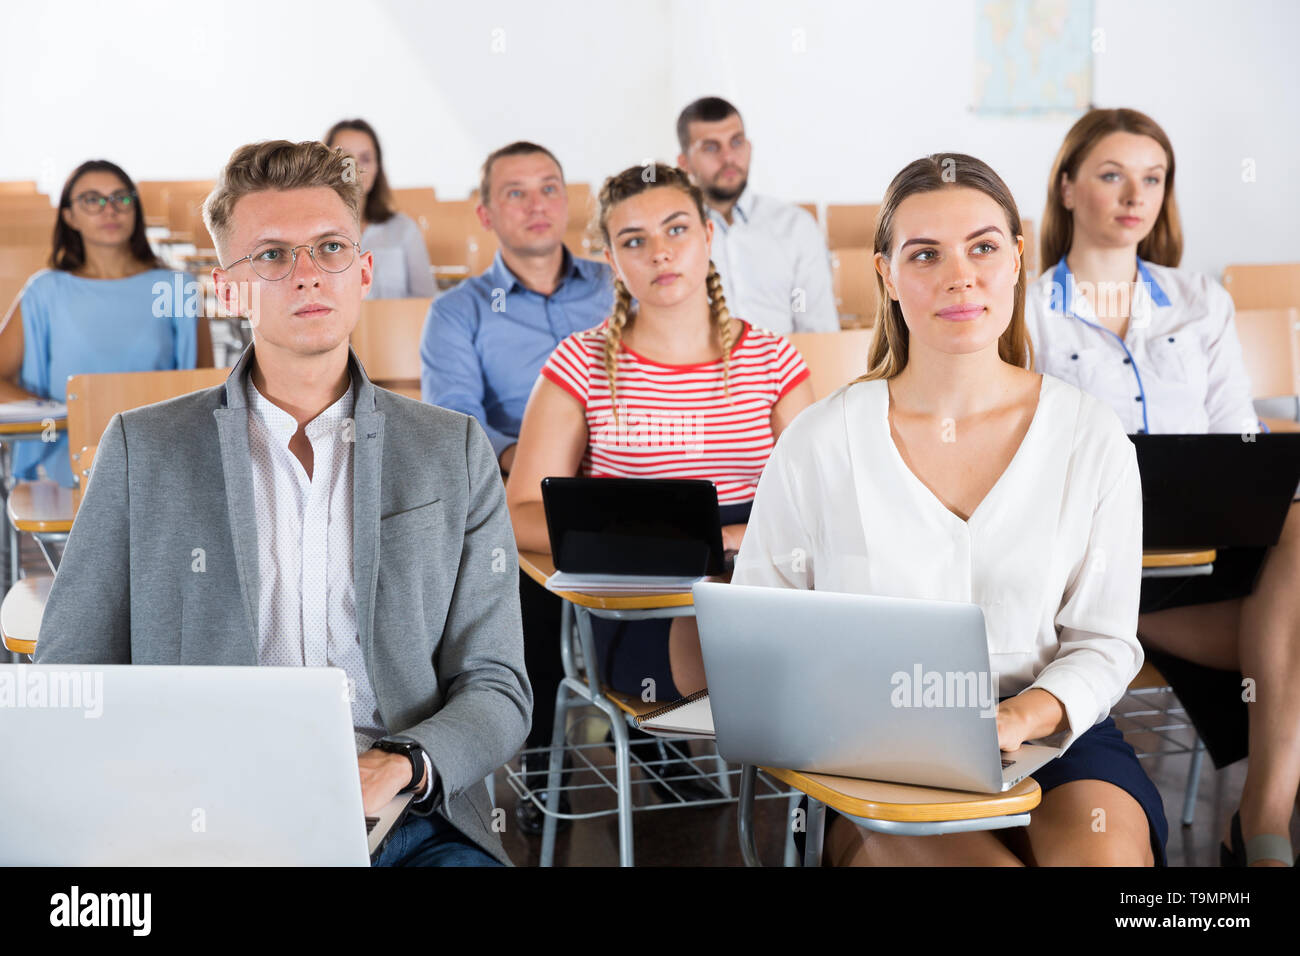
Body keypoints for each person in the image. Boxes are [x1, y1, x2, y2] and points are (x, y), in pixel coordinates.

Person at [34, 140, 531, 868]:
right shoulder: (144, 449)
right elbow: (71, 668)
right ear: (227, 289)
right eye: (270, 256)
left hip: (404, 812)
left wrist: (404, 766)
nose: (306, 276)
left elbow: (498, 683)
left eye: (329, 248)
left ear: (362, 273)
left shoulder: (451, 449)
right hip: (207, 815)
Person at [734, 153, 1166, 866]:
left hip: (1052, 732)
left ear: (1018, 259)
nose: (960, 276)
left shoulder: (1090, 435)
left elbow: (1106, 639)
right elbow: (763, 634)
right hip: (874, 759)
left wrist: (1023, 715)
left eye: (984, 248)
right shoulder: (819, 442)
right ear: (886, 274)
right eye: (925, 254)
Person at [1025, 107, 1300, 867]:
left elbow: (1237, 436)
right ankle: (1262, 827)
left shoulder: (1200, 299)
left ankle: (1263, 812)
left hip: (1210, 544)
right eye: (1111, 175)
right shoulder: (1026, 310)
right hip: (1088, 553)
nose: (1132, 195)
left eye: (1152, 179)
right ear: (1069, 185)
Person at [507, 162, 813, 711]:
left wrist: (736, 544)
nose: (660, 253)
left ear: (708, 236)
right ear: (612, 259)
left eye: (676, 229)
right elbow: (521, 511)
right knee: (726, 618)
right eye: (634, 240)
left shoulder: (773, 359)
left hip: (758, 568)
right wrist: (664, 553)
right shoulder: (579, 364)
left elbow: (819, 505)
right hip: (642, 595)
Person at [421, 141, 613, 831]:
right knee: (517, 559)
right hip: (525, 490)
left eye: (550, 188)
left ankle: (664, 738)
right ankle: (540, 762)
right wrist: (542, 456)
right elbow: (461, 429)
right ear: (485, 213)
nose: (537, 206)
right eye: (516, 193)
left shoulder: (619, 284)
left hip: (630, 476)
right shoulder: (459, 313)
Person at [0, 160, 213, 487]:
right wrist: (61, 411)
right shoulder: (45, 291)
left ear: (135, 208)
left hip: (160, 455)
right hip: (68, 454)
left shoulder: (177, 287)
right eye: (92, 200)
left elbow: (204, 386)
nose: (109, 209)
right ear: (69, 216)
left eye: (120, 198)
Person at [675, 96, 837, 335]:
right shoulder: (673, 235)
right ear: (684, 163)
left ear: (749, 146)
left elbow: (818, 330)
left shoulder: (796, 227)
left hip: (783, 369)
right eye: (711, 147)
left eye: (736, 142)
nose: (728, 157)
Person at [325, 118, 435, 299]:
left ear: (377, 167)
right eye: (344, 158)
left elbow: (425, 302)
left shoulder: (404, 229)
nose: (355, 168)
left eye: (365, 159)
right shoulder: (307, 231)